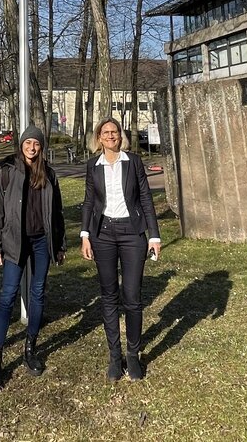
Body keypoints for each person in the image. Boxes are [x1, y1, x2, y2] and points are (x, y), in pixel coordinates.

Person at [80, 118, 161, 382]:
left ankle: (133, 355)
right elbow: (89, 202)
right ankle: (115, 356)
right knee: (109, 295)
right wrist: (85, 236)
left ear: (120, 136)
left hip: (132, 233)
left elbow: (146, 198)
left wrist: (154, 236)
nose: (111, 136)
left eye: (115, 131)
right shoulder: (93, 166)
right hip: (102, 234)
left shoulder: (133, 162)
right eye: (106, 133)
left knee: (132, 296)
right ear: (99, 138)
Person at [0, 124, 66, 391]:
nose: (32, 148)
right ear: (21, 145)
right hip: (14, 243)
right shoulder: (8, 172)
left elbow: (58, 213)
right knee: (7, 296)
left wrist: (60, 245)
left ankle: (30, 346)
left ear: (41, 148)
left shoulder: (49, 174)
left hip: (42, 242)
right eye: (27, 143)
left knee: (38, 292)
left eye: (37, 144)